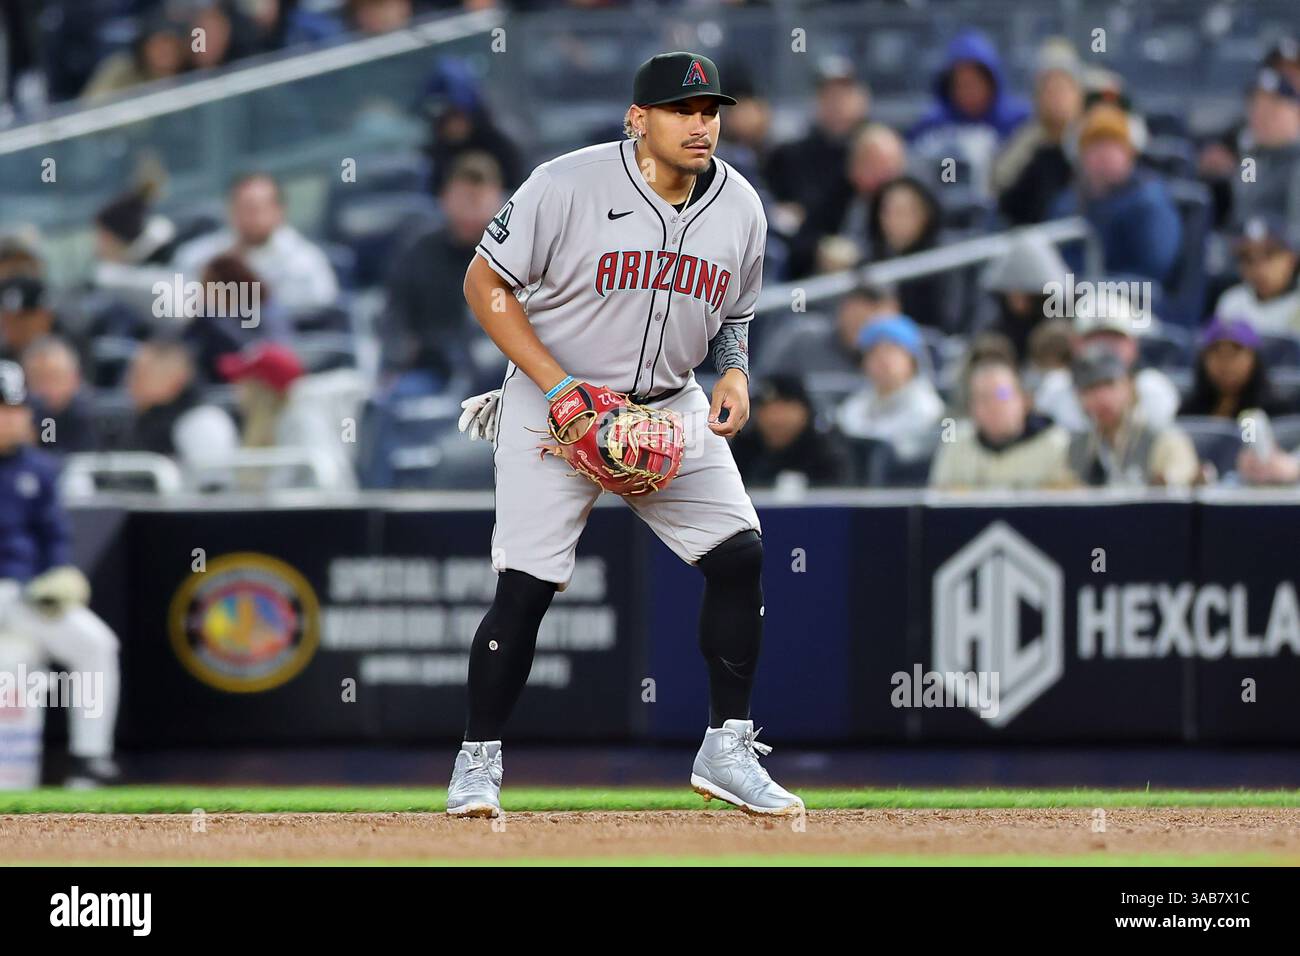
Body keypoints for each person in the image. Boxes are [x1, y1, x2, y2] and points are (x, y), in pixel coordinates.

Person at [447, 52, 802, 819]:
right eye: (682, 110)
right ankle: (477, 763)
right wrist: (556, 387)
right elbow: (485, 282)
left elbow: (735, 315)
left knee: (740, 555)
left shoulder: (741, 205)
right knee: (528, 589)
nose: (701, 123)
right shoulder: (566, 183)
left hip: (668, 405)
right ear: (637, 118)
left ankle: (727, 748)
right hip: (553, 402)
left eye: (710, 110)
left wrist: (735, 374)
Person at [0, 360, 120, 786]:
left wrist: (59, 577)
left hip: (28, 596)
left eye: (16, 409)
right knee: (14, 661)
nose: (12, 419)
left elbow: (54, 538)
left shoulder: (40, 470)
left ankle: (89, 762)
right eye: (2, 410)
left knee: (97, 644)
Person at [379, 152, 505, 388]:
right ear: (445, 199)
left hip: (504, 366)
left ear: (497, 201)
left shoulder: (517, 252)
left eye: (477, 202)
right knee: (402, 396)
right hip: (434, 370)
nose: (469, 212)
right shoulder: (418, 251)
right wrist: (397, 358)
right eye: (462, 200)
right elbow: (395, 316)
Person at [1049, 104, 1183, 287]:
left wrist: (1090, 287)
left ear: (1130, 154)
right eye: (1095, 147)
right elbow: (1055, 260)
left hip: (1132, 303)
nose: (1104, 155)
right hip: (1073, 297)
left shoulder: (1149, 202)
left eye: (1113, 146)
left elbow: (1152, 270)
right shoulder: (1068, 203)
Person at [171, 173, 339, 314]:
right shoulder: (204, 252)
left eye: (255, 209)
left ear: (279, 211)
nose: (248, 217)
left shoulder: (304, 261)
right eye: (240, 208)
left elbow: (319, 310)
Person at [908, 28, 1031, 197]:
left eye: (975, 83)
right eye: (961, 84)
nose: (968, 92)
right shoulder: (933, 127)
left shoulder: (1018, 122)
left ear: (991, 82)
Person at [218, 342, 356, 491]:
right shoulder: (276, 423)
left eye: (243, 382)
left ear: (262, 390)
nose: (236, 391)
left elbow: (329, 484)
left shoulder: (301, 420)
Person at [1035, 295, 1182, 432]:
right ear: (1076, 345)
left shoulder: (1153, 390)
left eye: (1114, 338)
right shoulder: (1055, 390)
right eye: (1094, 338)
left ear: (1132, 345)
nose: (1104, 347)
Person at [930, 356, 1073, 490]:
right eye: (983, 397)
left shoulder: (1057, 444)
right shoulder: (955, 443)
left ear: (1024, 400)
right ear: (971, 407)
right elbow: (939, 500)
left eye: (1003, 394)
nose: (993, 405)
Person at [786, 123, 908, 279]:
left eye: (889, 164)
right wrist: (822, 249)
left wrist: (857, 261)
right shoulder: (840, 191)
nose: (884, 173)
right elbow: (801, 246)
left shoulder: (908, 201)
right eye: (872, 163)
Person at [764, 56, 870, 234]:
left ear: (861, 98)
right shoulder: (788, 156)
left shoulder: (875, 153)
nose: (836, 103)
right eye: (828, 95)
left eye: (844, 94)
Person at [1068, 347, 1199, 487]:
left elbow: (1183, 482)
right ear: (1078, 398)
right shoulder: (1072, 446)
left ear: (1130, 386)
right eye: (1090, 389)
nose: (1102, 397)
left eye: (1109, 384)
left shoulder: (1164, 439)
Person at [994, 39, 1085, 225]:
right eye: (1048, 90)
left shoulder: (1094, 136)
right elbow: (1000, 188)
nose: (1056, 97)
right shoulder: (1026, 144)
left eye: (1062, 88)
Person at [836, 315, 944, 461]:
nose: (883, 360)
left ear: (912, 360)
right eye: (874, 353)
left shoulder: (926, 405)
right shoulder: (859, 401)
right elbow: (846, 426)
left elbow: (903, 450)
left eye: (892, 351)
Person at [123, 339, 239, 474]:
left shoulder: (202, 422)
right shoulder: (142, 421)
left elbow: (214, 487)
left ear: (177, 377)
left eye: (141, 374)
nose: (130, 382)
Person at [867, 176, 959, 331]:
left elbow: (948, 323)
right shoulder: (871, 258)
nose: (892, 221)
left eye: (902, 212)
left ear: (925, 215)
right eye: (887, 211)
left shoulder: (945, 262)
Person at [730, 375, 850, 489]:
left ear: (806, 411)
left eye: (785, 408)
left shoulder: (826, 453)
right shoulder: (741, 451)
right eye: (768, 409)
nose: (776, 419)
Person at [978, 233, 1071, 361]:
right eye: (1012, 294)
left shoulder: (1064, 321)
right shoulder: (999, 332)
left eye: (1025, 295)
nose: (1018, 301)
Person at [1230, 68, 1300, 233]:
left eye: (1272, 108)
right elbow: (1243, 211)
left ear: (1297, 113)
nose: (1261, 117)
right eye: (1255, 107)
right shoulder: (1251, 159)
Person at [1179, 317, 1291, 419]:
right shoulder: (1189, 412)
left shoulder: (1277, 412)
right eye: (1216, 351)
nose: (1225, 362)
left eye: (1235, 351)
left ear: (1254, 358)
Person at [1213, 215, 1300, 334]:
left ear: (1292, 259)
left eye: (1270, 256)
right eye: (1248, 259)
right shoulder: (1232, 303)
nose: (1259, 268)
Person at [21, 338, 100, 455]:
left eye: (55, 377)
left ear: (75, 378)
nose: (47, 387)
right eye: (38, 378)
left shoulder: (93, 415)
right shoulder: (20, 415)